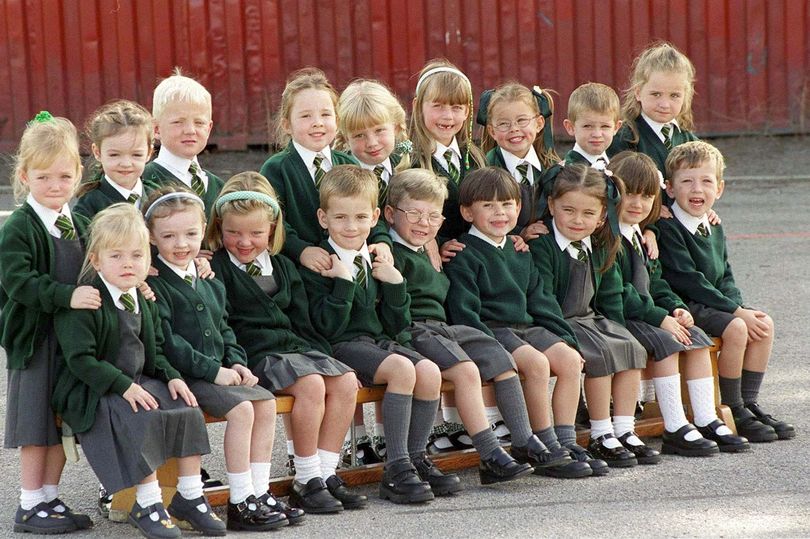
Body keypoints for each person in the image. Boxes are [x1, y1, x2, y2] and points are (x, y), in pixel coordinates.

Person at [51, 203, 225, 539]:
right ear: (97, 260)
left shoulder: (143, 297)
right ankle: (148, 501)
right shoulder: (87, 301)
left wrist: (172, 375)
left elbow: (155, 350)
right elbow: (80, 360)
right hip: (95, 388)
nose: (128, 264)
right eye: (116, 256)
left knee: (186, 407)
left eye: (136, 255)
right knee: (140, 413)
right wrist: (122, 386)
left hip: (138, 380)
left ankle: (190, 496)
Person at [206, 172, 364, 514]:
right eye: (233, 233)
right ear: (219, 228)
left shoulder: (284, 267)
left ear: (273, 230)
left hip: (293, 349)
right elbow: (220, 324)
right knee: (309, 385)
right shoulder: (216, 268)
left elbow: (307, 323)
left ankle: (325, 471)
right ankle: (305, 478)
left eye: (255, 233)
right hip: (256, 355)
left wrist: (343, 287)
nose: (244, 242)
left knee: (347, 381)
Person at [142, 186, 287, 531]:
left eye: (191, 234)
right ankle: (239, 501)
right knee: (242, 409)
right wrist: (214, 371)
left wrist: (237, 362)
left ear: (204, 228)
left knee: (265, 402)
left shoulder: (208, 278)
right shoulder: (155, 284)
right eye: (169, 236)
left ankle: (259, 491)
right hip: (183, 376)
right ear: (151, 236)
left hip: (217, 371)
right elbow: (167, 344)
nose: (181, 244)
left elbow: (224, 328)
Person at [443, 167, 603, 477]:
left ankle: (564, 441)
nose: (499, 212)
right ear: (466, 211)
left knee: (570, 360)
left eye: (506, 204)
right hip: (493, 331)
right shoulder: (464, 254)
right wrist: (491, 344)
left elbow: (540, 301)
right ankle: (541, 445)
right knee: (537, 364)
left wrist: (563, 336)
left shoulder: (518, 249)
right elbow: (466, 314)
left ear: (518, 208)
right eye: (488, 205)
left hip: (525, 327)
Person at [300, 165, 443, 504]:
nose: (351, 227)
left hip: (378, 342)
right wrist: (343, 284)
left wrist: (395, 285)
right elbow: (327, 328)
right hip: (340, 346)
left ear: (376, 216)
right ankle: (395, 469)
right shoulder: (320, 263)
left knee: (430, 371)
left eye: (361, 217)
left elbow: (396, 326)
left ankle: (415, 458)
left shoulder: (377, 258)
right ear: (323, 218)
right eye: (341, 218)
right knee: (403, 370)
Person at [384, 168, 535, 485]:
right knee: (465, 371)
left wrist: (435, 242)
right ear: (389, 214)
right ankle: (490, 454)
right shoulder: (389, 253)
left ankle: (523, 440)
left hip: (442, 327)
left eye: (433, 217)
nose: (424, 223)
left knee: (497, 353)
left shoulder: (430, 247)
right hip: (414, 329)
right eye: (414, 214)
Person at [610, 151, 748, 455]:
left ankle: (706, 418)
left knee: (696, 338)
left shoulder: (641, 236)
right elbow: (620, 294)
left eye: (646, 197)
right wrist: (661, 318)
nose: (637, 204)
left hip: (650, 312)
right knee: (668, 342)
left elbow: (657, 282)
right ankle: (674, 426)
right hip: (622, 316)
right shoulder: (609, 240)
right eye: (628, 195)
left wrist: (675, 307)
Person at [657, 141, 795, 442]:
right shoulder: (667, 227)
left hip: (712, 302)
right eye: (687, 181)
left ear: (719, 189)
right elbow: (688, 280)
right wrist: (735, 312)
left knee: (763, 324)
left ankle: (749, 402)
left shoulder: (712, 224)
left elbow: (725, 273)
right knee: (736, 328)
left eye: (706, 181)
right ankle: (731, 406)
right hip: (684, 305)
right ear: (669, 188)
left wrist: (739, 305)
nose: (697, 189)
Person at [1, 112, 96, 534]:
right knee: (35, 426)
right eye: (44, 177)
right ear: (24, 175)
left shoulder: (77, 222)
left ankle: (50, 499)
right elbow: (20, 282)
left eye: (64, 176)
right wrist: (66, 296)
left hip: (71, 342)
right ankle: (28, 504)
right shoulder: (20, 226)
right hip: (36, 341)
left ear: (77, 174)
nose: (55, 186)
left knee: (60, 423)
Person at [528, 164, 651, 467]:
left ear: (601, 216)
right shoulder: (542, 245)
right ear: (552, 205)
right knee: (599, 352)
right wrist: (568, 337)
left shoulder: (601, 244)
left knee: (629, 346)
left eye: (587, 214)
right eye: (568, 210)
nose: (577, 220)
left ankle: (623, 427)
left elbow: (610, 297)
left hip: (589, 318)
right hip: (559, 322)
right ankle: (600, 432)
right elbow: (542, 299)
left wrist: (618, 330)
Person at [334, 78, 413, 464]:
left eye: (379, 131)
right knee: (356, 338)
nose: (371, 142)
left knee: (385, 339)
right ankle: (357, 437)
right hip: (351, 261)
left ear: (397, 126)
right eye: (359, 135)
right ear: (344, 137)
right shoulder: (344, 172)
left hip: (390, 265)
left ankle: (384, 438)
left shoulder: (403, 165)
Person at [260, 67, 384, 273]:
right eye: (306, 116)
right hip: (299, 269)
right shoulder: (276, 169)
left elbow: (369, 208)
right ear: (287, 125)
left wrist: (381, 241)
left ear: (337, 120)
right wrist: (301, 250)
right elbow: (271, 222)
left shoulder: (349, 163)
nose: (317, 123)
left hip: (350, 263)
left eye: (325, 114)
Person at [409, 59, 487, 262]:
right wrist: (439, 242)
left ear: (467, 111)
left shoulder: (475, 158)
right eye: (438, 106)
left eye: (456, 107)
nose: (448, 116)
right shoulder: (410, 161)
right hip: (435, 260)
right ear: (418, 106)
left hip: (477, 258)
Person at [608, 41, 700, 205]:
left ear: (685, 96)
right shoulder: (624, 138)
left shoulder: (690, 141)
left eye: (674, 96)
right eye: (656, 94)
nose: (664, 104)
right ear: (638, 92)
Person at [479, 82, 559, 237]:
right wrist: (520, 233)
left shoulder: (552, 168)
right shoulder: (484, 171)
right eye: (503, 123)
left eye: (522, 120)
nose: (514, 129)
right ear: (491, 131)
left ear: (539, 123)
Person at [142, 68, 223, 217]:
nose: (190, 130)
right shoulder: (143, 183)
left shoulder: (219, 187)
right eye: (178, 122)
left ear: (209, 128)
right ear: (156, 128)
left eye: (199, 122)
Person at [73, 100, 154, 221]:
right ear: (97, 152)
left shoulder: (156, 196)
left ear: (149, 153)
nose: (126, 164)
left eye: (136, 155)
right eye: (114, 155)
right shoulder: (88, 205)